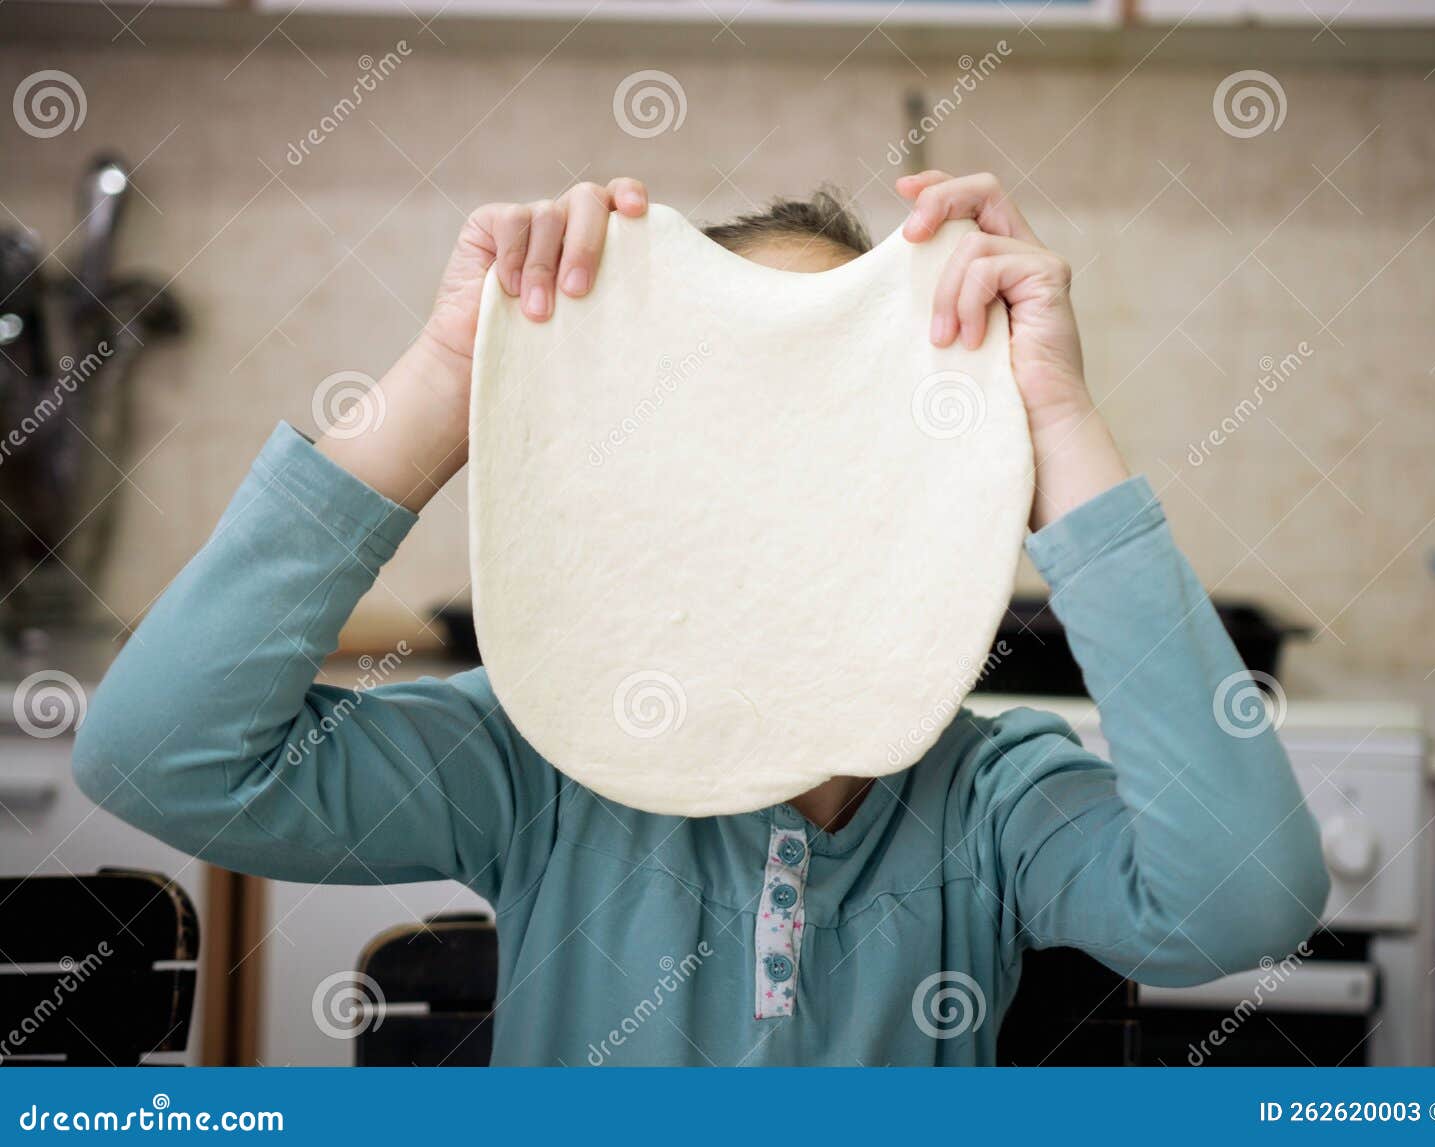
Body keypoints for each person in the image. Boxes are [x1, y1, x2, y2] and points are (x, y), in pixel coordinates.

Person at [74, 171, 1329, 1065]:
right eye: (733, 430)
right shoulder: (543, 757)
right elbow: (158, 759)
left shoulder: (992, 799)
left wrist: (1055, 422)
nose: (781, 476)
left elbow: (1236, 903)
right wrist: (455, 381)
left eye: (840, 424)